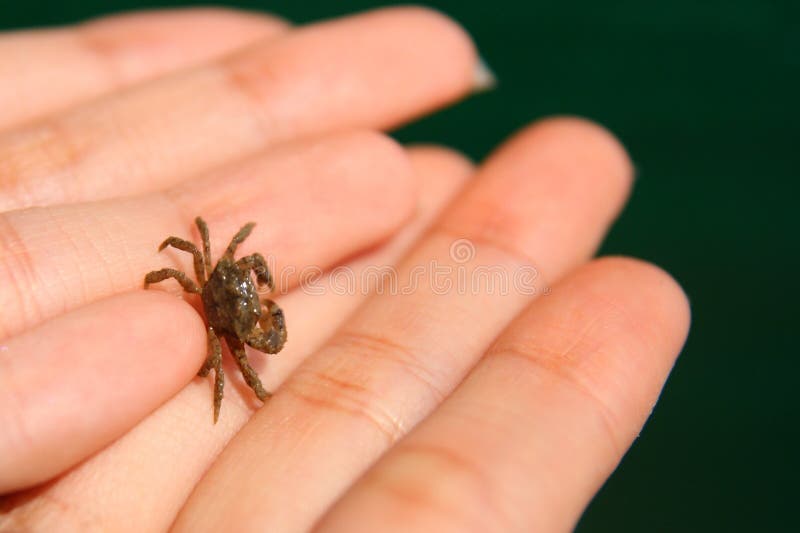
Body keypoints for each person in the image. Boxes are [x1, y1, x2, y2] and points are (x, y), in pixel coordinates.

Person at [0, 6, 690, 532]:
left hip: (228, 317)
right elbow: (218, 292)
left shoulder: (230, 287)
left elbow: (231, 275)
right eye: (239, 272)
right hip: (222, 318)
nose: (241, 271)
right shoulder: (217, 292)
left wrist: (245, 303)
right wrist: (233, 330)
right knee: (224, 351)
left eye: (244, 274)